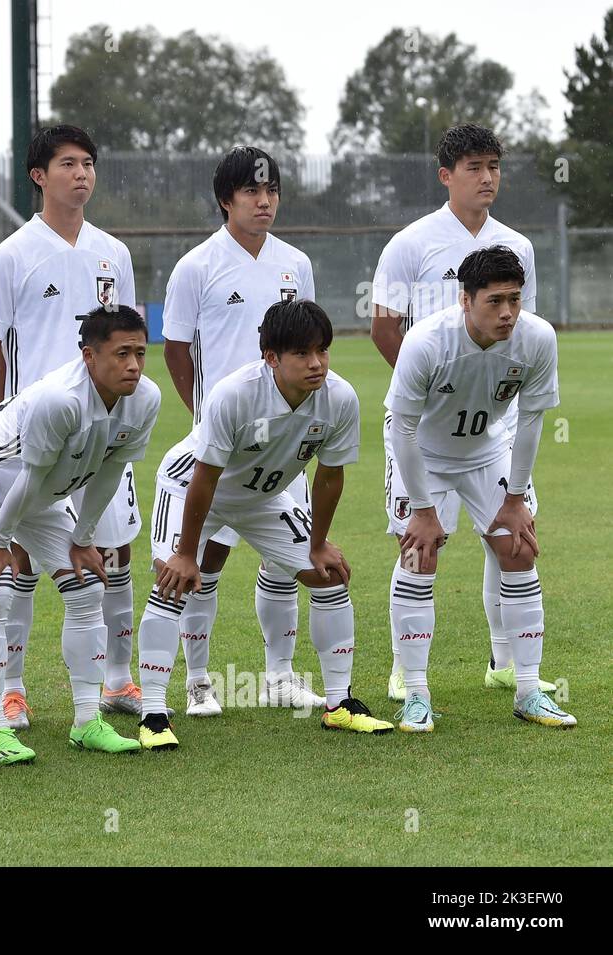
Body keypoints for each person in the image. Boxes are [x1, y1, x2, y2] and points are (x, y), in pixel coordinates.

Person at [150, 300, 394, 747]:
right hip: (191, 486)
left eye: (323, 350)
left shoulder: (339, 398)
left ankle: (340, 705)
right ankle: (153, 716)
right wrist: (185, 553)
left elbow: (329, 476)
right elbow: (204, 477)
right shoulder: (235, 394)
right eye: (302, 353)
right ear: (271, 357)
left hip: (261, 497)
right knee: (173, 582)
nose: (316, 363)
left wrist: (318, 543)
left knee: (330, 577)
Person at [370, 123, 554, 700]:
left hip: (492, 427)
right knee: (422, 545)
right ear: (446, 175)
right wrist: (436, 391)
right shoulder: (411, 242)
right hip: (425, 423)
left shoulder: (516, 245)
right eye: (474, 168)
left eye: (494, 167)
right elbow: (383, 325)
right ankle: (408, 674)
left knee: (510, 539)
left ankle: (506, 663)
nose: (487, 178)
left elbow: (520, 336)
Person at [0, 125, 142, 729]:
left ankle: (119, 679)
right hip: (35, 434)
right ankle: (13, 688)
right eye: (68, 163)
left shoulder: (111, 253)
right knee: (19, 557)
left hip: (100, 431)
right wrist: (9, 414)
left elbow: (128, 337)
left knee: (111, 554)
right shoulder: (13, 253)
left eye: (89, 163)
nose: (82, 174)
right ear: (39, 176)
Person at [157, 145, 324, 718]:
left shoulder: (295, 265)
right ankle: (199, 682)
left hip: (285, 443)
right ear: (226, 199)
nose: (264, 201)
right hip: (224, 442)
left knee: (288, 560)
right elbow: (175, 348)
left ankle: (280, 676)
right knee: (203, 562)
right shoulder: (197, 267)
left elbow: (306, 342)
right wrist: (202, 415)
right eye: (252, 191)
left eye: (272, 190)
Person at [385, 245, 573, 732]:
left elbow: (530, 420)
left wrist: (515, 500)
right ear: (465, 300)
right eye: (495, 301)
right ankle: (416, 694)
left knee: (518, 549)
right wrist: (423, 511)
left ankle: (528, 689)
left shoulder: (537, 339)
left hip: (487, 453)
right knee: (418, 556)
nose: (508, 313)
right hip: (422, 455)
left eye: (515, 299)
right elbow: (403, 429)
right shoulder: (426, 342)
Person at [0, 306, 161, 756]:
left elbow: (112, 467)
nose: (133, 365)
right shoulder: (60, 399)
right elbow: (28, 478)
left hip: (40, 496)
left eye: (140, 353)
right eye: (121, 353)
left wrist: (85, 537)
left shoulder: (144, 398)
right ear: (89, 356)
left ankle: (87, 722)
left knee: (88, 589)